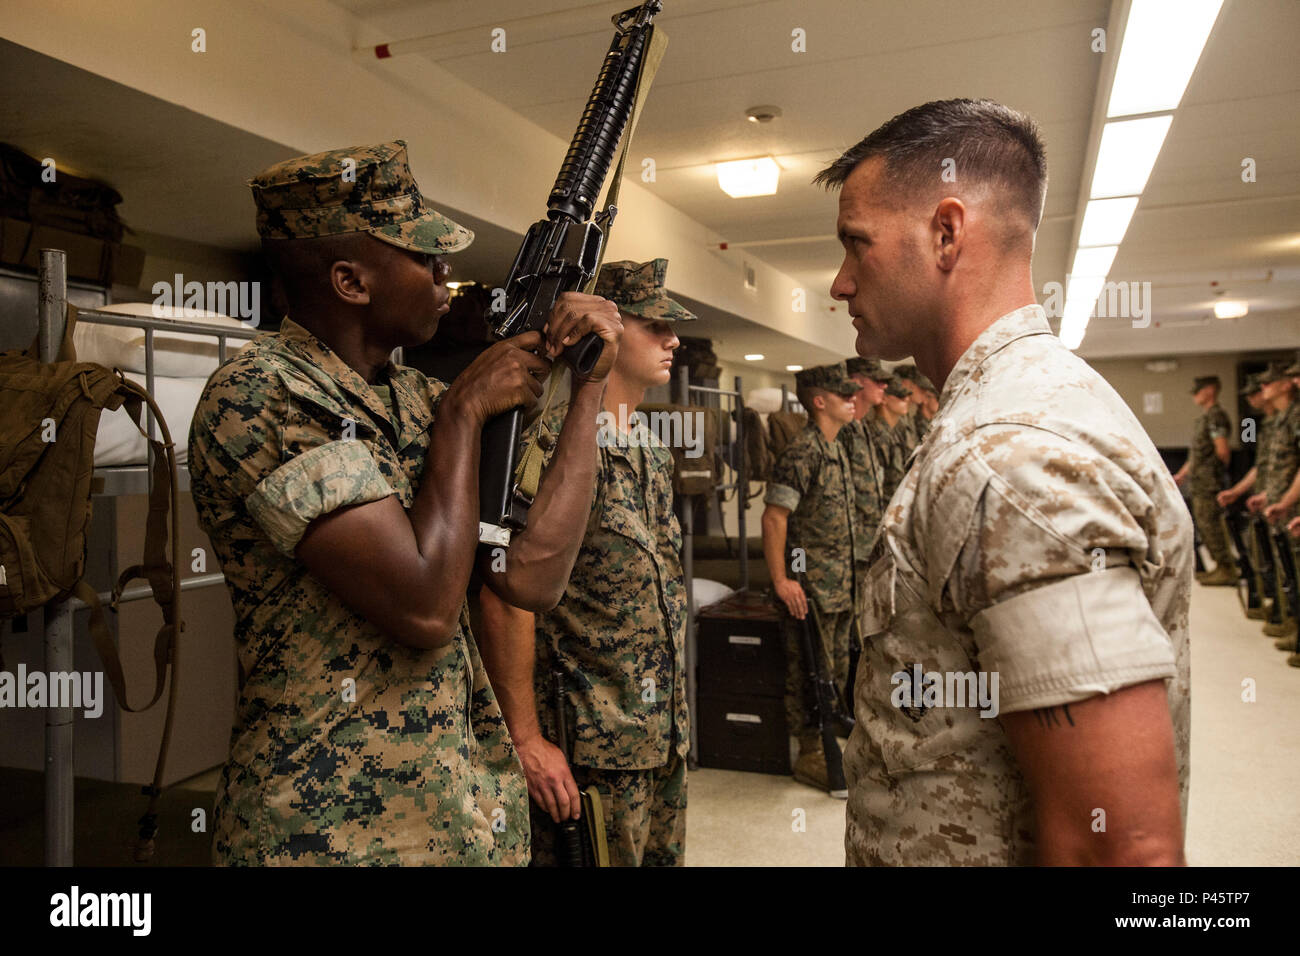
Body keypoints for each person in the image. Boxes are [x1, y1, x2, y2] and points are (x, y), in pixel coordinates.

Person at [188, 141, 623, 865]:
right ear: (351, 281)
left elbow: (531, 578)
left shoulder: (416, 396)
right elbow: (423, 607)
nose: (446, 273)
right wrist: (463, 415)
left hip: (454, 816)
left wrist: (589, 390)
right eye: (424, 257)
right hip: (326, 832)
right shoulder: (260, 392)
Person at [817, 98, 1190, 865]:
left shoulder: (1009, 457)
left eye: (858, 245)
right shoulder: (1018, 411)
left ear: (946, 234)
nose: (840, 283)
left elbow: (1121, 850)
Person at [477, 258, 694, 867]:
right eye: (655, 325)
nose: (673, 340)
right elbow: (505, 592)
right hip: (588, 744)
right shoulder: (549, 449)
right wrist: (526, 738)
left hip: (660, 734)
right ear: (606, 333)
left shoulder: (650, 449)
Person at [761, 362, 862, 793]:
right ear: (820, 401)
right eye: (844, 395)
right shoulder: (804, 451)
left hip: (838, 585)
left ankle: (829, 740)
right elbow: (773, 517)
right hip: (811, 585)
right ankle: (810, 754)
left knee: (836, 668)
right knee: (810, 673)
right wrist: (783, 580)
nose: (852, 401)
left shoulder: (834, 446)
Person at [1172, 375, 1233, 585]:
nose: (1195, 396)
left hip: (1209, 483)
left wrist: (1214, 474)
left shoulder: (1216, 416)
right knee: (1205, 525)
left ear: (1210, 390)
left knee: (1212, 524)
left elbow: (1222, 451)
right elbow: (1198, 454)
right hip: (1199, 481)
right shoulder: (1206, 418)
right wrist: (1182, 475)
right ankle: (1220, 565)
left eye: (1198, 391)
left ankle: (1226, 568)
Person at [871, 375, 914, 500]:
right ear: (884, 399)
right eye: (900, 396)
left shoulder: (897, 432)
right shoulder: (876, 434)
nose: (907, 399)